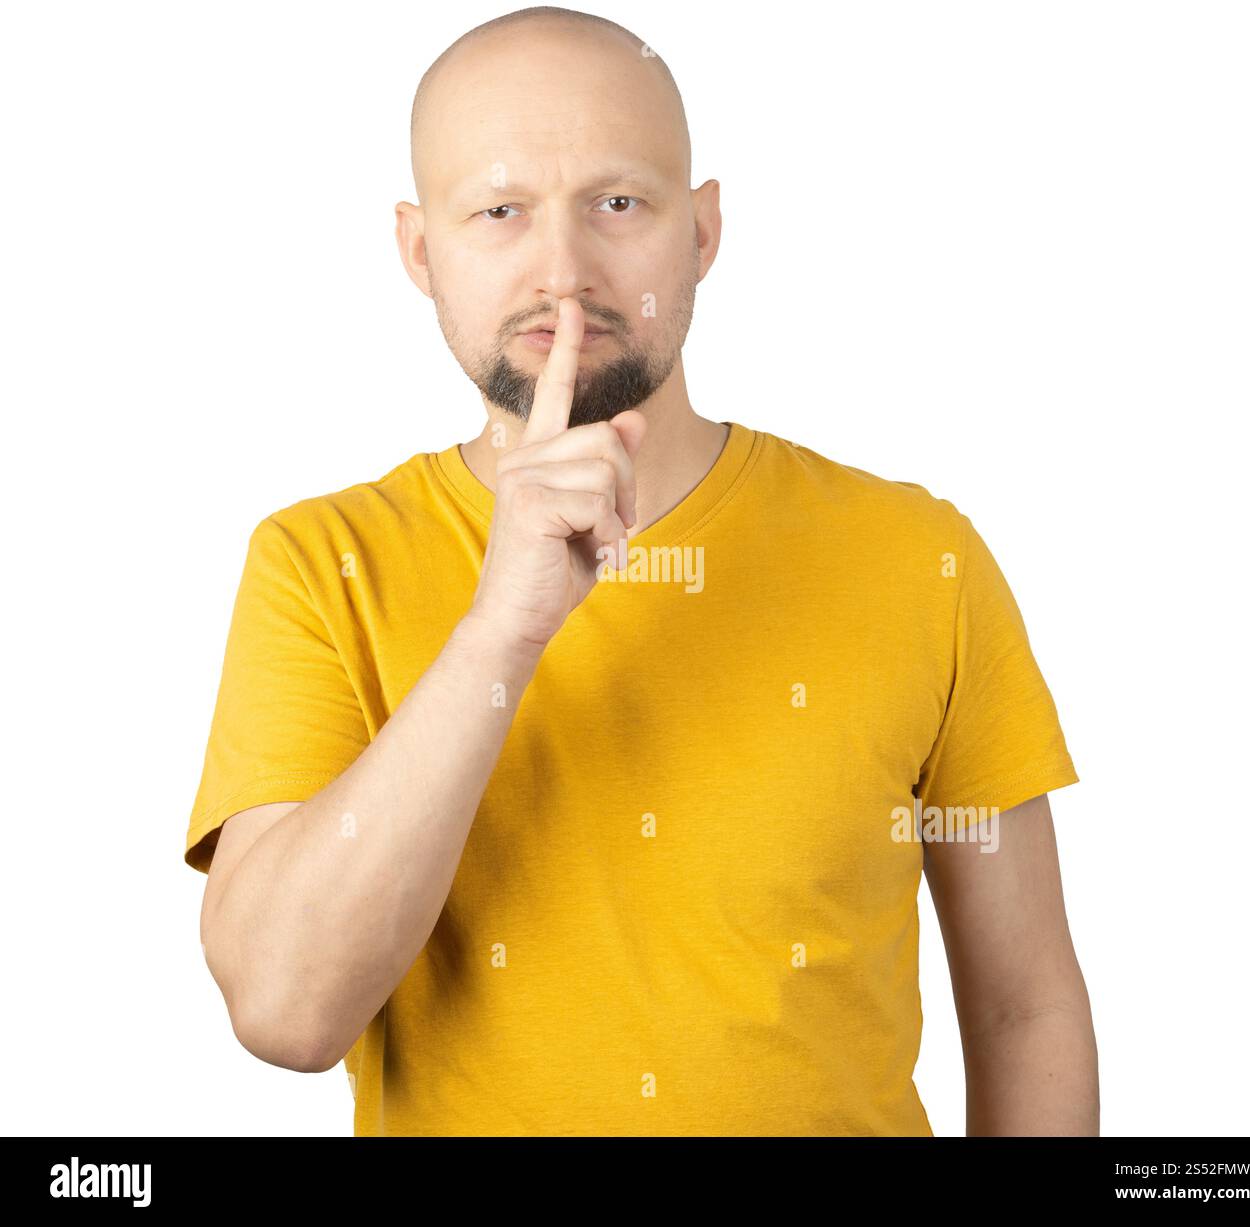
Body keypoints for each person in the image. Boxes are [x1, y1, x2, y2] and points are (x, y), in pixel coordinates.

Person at [184, 5, 1097, 1137]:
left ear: (702, 233)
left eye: (617, 203)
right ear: (421, 252)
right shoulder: (322, 565)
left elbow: (1021, 1010)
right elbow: (284, 1014)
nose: (562, 272)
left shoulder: (921, 557)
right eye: (500, 210)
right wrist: (499, 632)